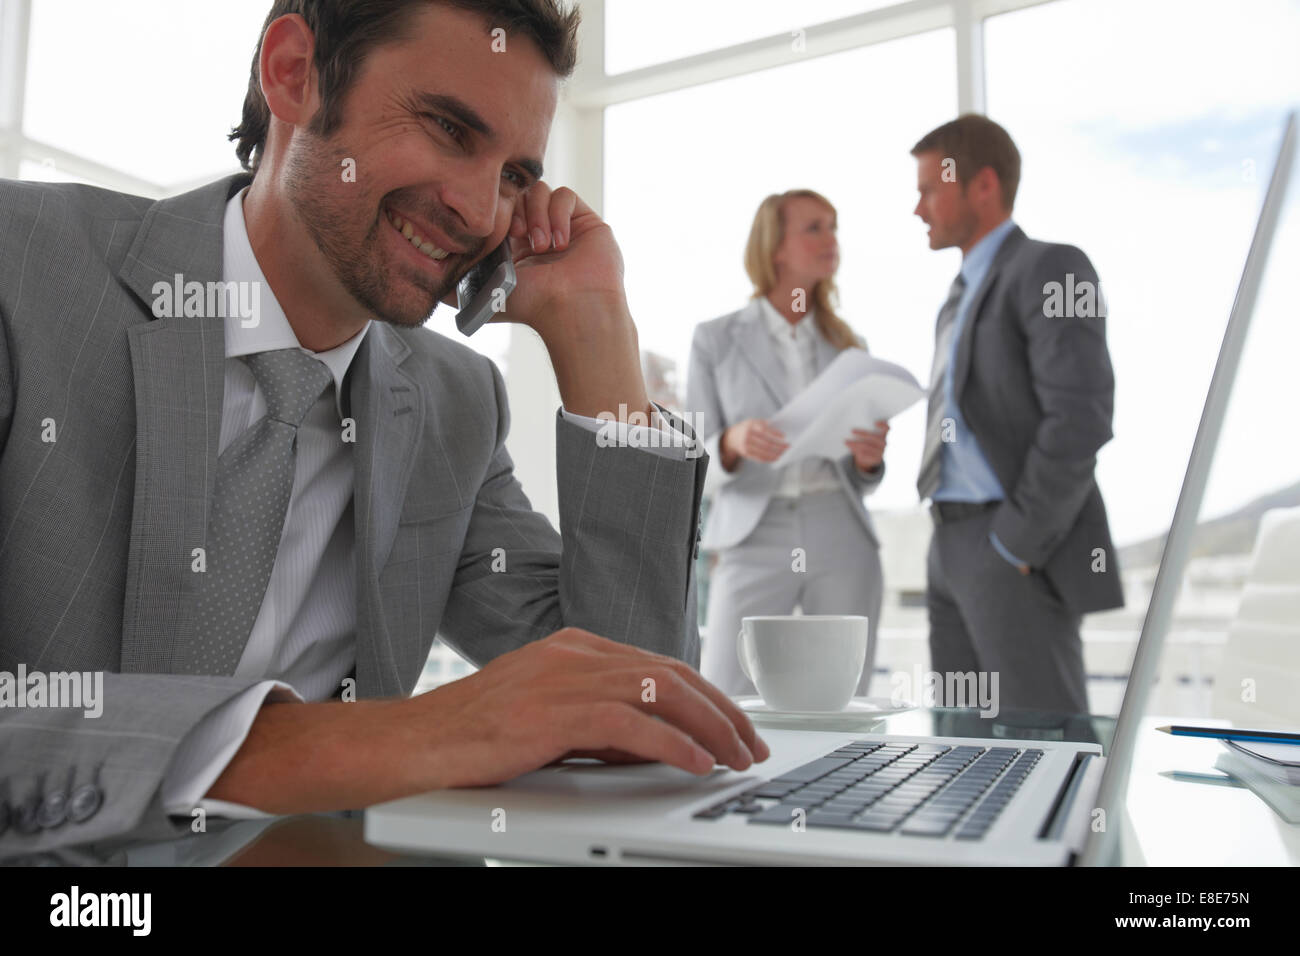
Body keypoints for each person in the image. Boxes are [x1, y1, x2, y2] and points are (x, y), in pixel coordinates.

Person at [0, 0, 768, 861]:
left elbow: (631, 700)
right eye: (447, 127)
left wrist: (601, 350)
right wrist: (393, 742)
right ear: (294, 73)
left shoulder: (453, 404)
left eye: (516, 175)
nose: (482, 214)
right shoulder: (19, 271)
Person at [910, 114, 1124, 715]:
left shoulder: (1052, 268)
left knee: (1045, 744)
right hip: (946, 542)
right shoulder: (956, 299)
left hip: (1008, 542)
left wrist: (1016, 542)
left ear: (982, 185)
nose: (918, 208)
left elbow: (1080, 417)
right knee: (959, 742)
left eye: (929, 189)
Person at [687, 189, 889, 699]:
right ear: (775, 247)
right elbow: (694, 458)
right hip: (755, 531)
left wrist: (870, 461)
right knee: (727, 693)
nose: (831, 239)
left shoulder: (850, 345)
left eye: (834, 226)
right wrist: (731, 441)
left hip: (839, 527)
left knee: (844, 698)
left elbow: (864, 475)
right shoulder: (715, 339)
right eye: (814, 228)